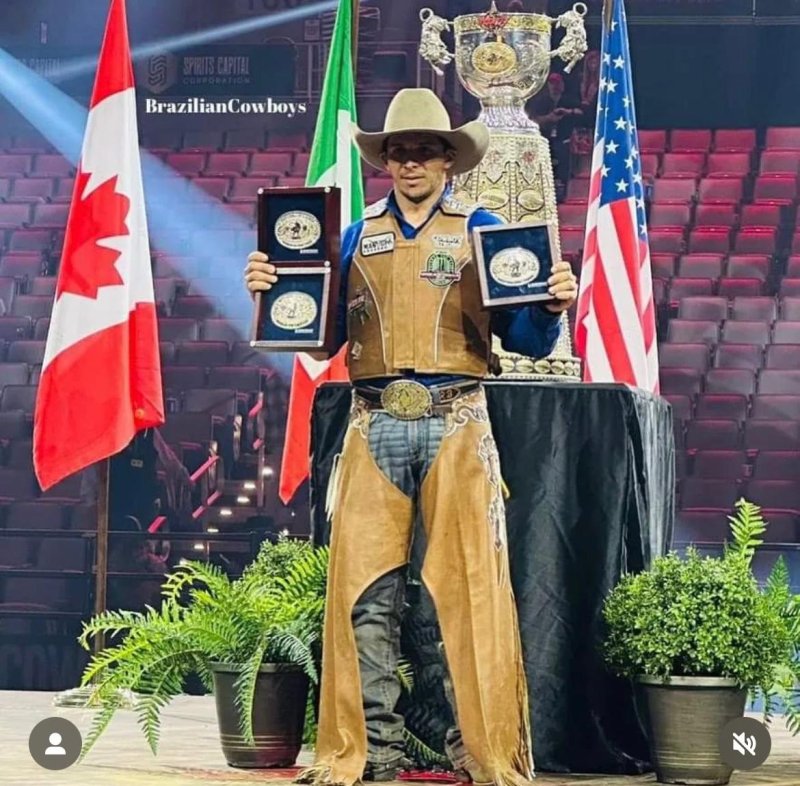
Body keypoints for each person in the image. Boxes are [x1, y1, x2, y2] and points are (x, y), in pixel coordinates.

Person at [244, 88, 578, 786]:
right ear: (385, 160)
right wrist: (273, 288)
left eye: (424, 149)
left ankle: (480, 755)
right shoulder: (355, 235)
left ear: (448, 160)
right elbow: (320, 329)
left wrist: (549, 306)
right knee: (364, 595)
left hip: (457, 418)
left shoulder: (483, 229)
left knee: (469, 592)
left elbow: (521, 335)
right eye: (398, 150)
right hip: (373, 421)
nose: (410, 161)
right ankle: (373, 753)